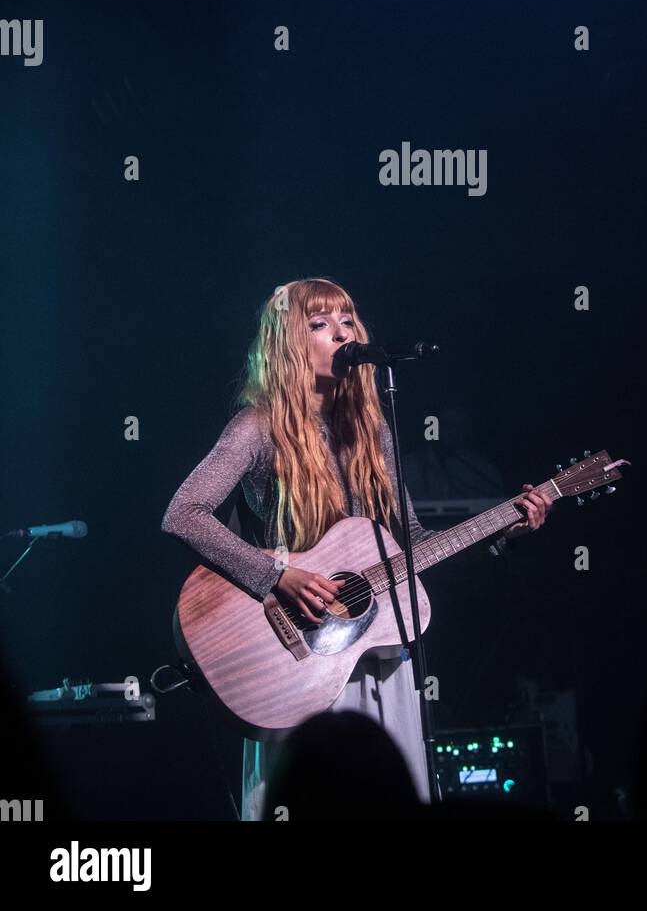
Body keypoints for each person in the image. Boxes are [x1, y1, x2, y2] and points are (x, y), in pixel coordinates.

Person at [161, 276, 551, 820]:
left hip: (375, 651)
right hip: (294, 656)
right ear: (287, 343)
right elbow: (183, 514)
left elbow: (413, 543)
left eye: (347, 320)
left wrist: (502, 528)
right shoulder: (257, 426)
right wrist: (275, 575)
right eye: (320, 324)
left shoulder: (373, 431)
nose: (341, 333)